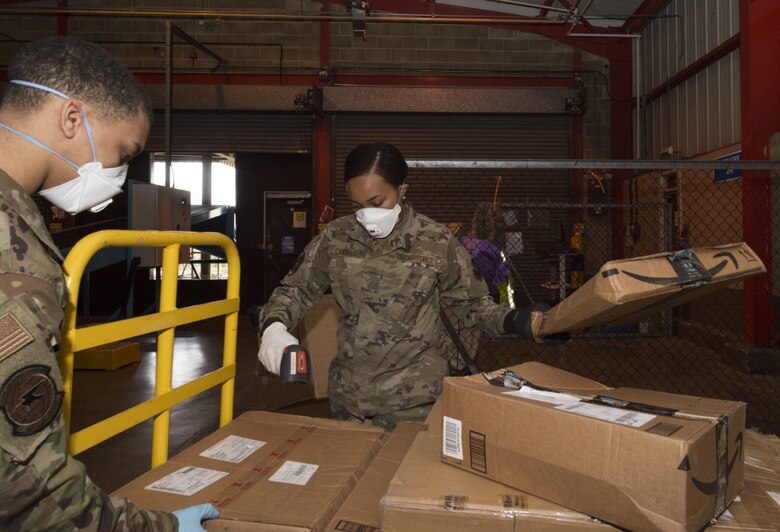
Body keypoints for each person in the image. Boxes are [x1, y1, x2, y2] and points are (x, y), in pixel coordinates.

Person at [0, 37, 218, 531]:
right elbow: (26, 487)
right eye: (123, 152)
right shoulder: (14, 255)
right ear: (71, 118)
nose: (119, 173)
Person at [256, 142, 543, 430]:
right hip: (349, 402)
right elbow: (296, 289)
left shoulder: (436, 242)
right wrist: (274, 327)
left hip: (413, 403)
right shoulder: (336, 238)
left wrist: (518, 321)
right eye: (357, 206)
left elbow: (472, 306)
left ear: (402, 190)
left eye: (376, 202)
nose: (366, 215)